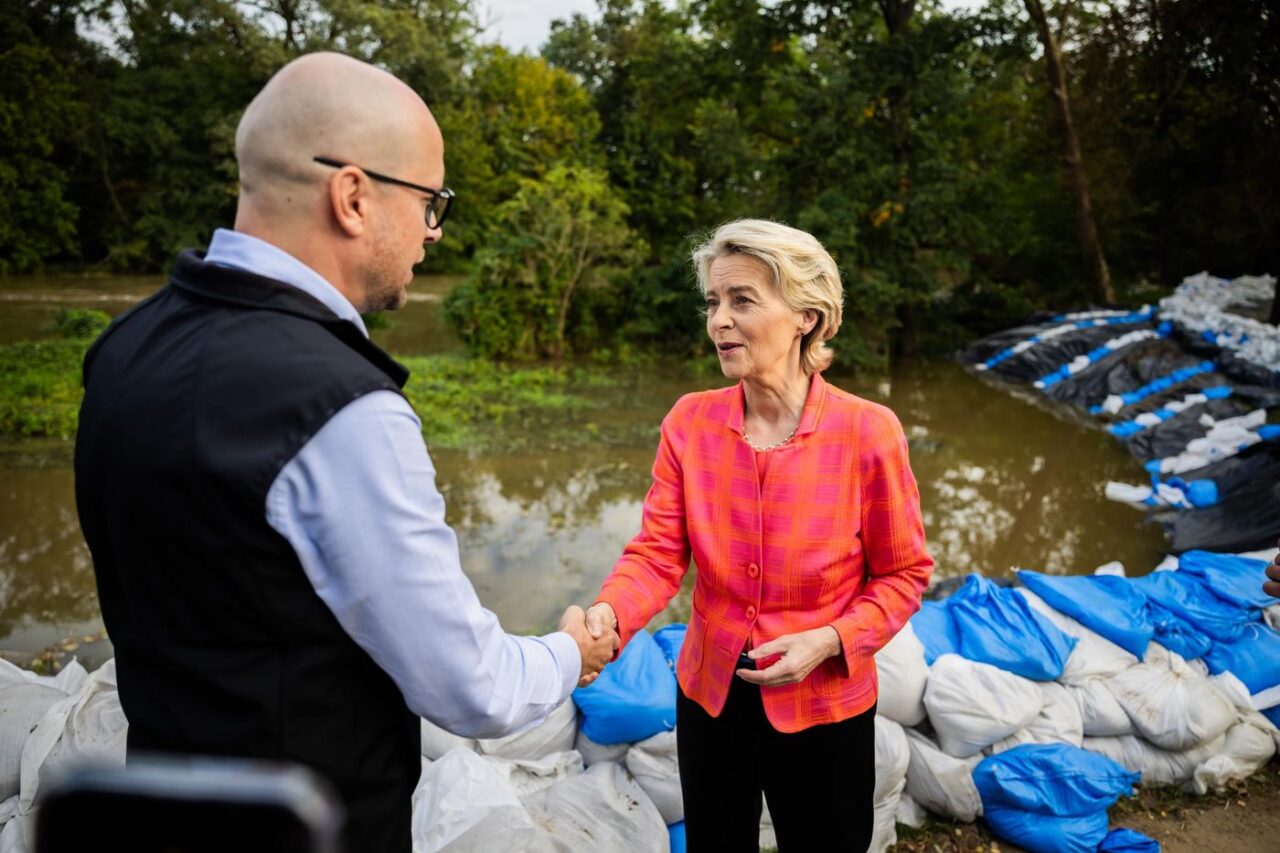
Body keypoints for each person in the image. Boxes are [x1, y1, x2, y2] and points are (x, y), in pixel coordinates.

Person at [73, 52, 617, 853]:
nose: (435, 230)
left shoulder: (126, 346)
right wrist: (572, 651)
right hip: (309, 826)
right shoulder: (339, 405)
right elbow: (473, 686)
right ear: (354, 195)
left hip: (161, 810)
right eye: (432, 201)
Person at [583, 219, 934, 851]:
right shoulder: (689, 423)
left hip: (823, 701)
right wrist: (609, 615)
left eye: (742, 300)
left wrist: (830, 640)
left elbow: (904, 573)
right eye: (714, 301)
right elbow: (658, 554)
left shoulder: (867, 432)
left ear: (806, 315)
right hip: (710, 695)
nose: (719, 319)